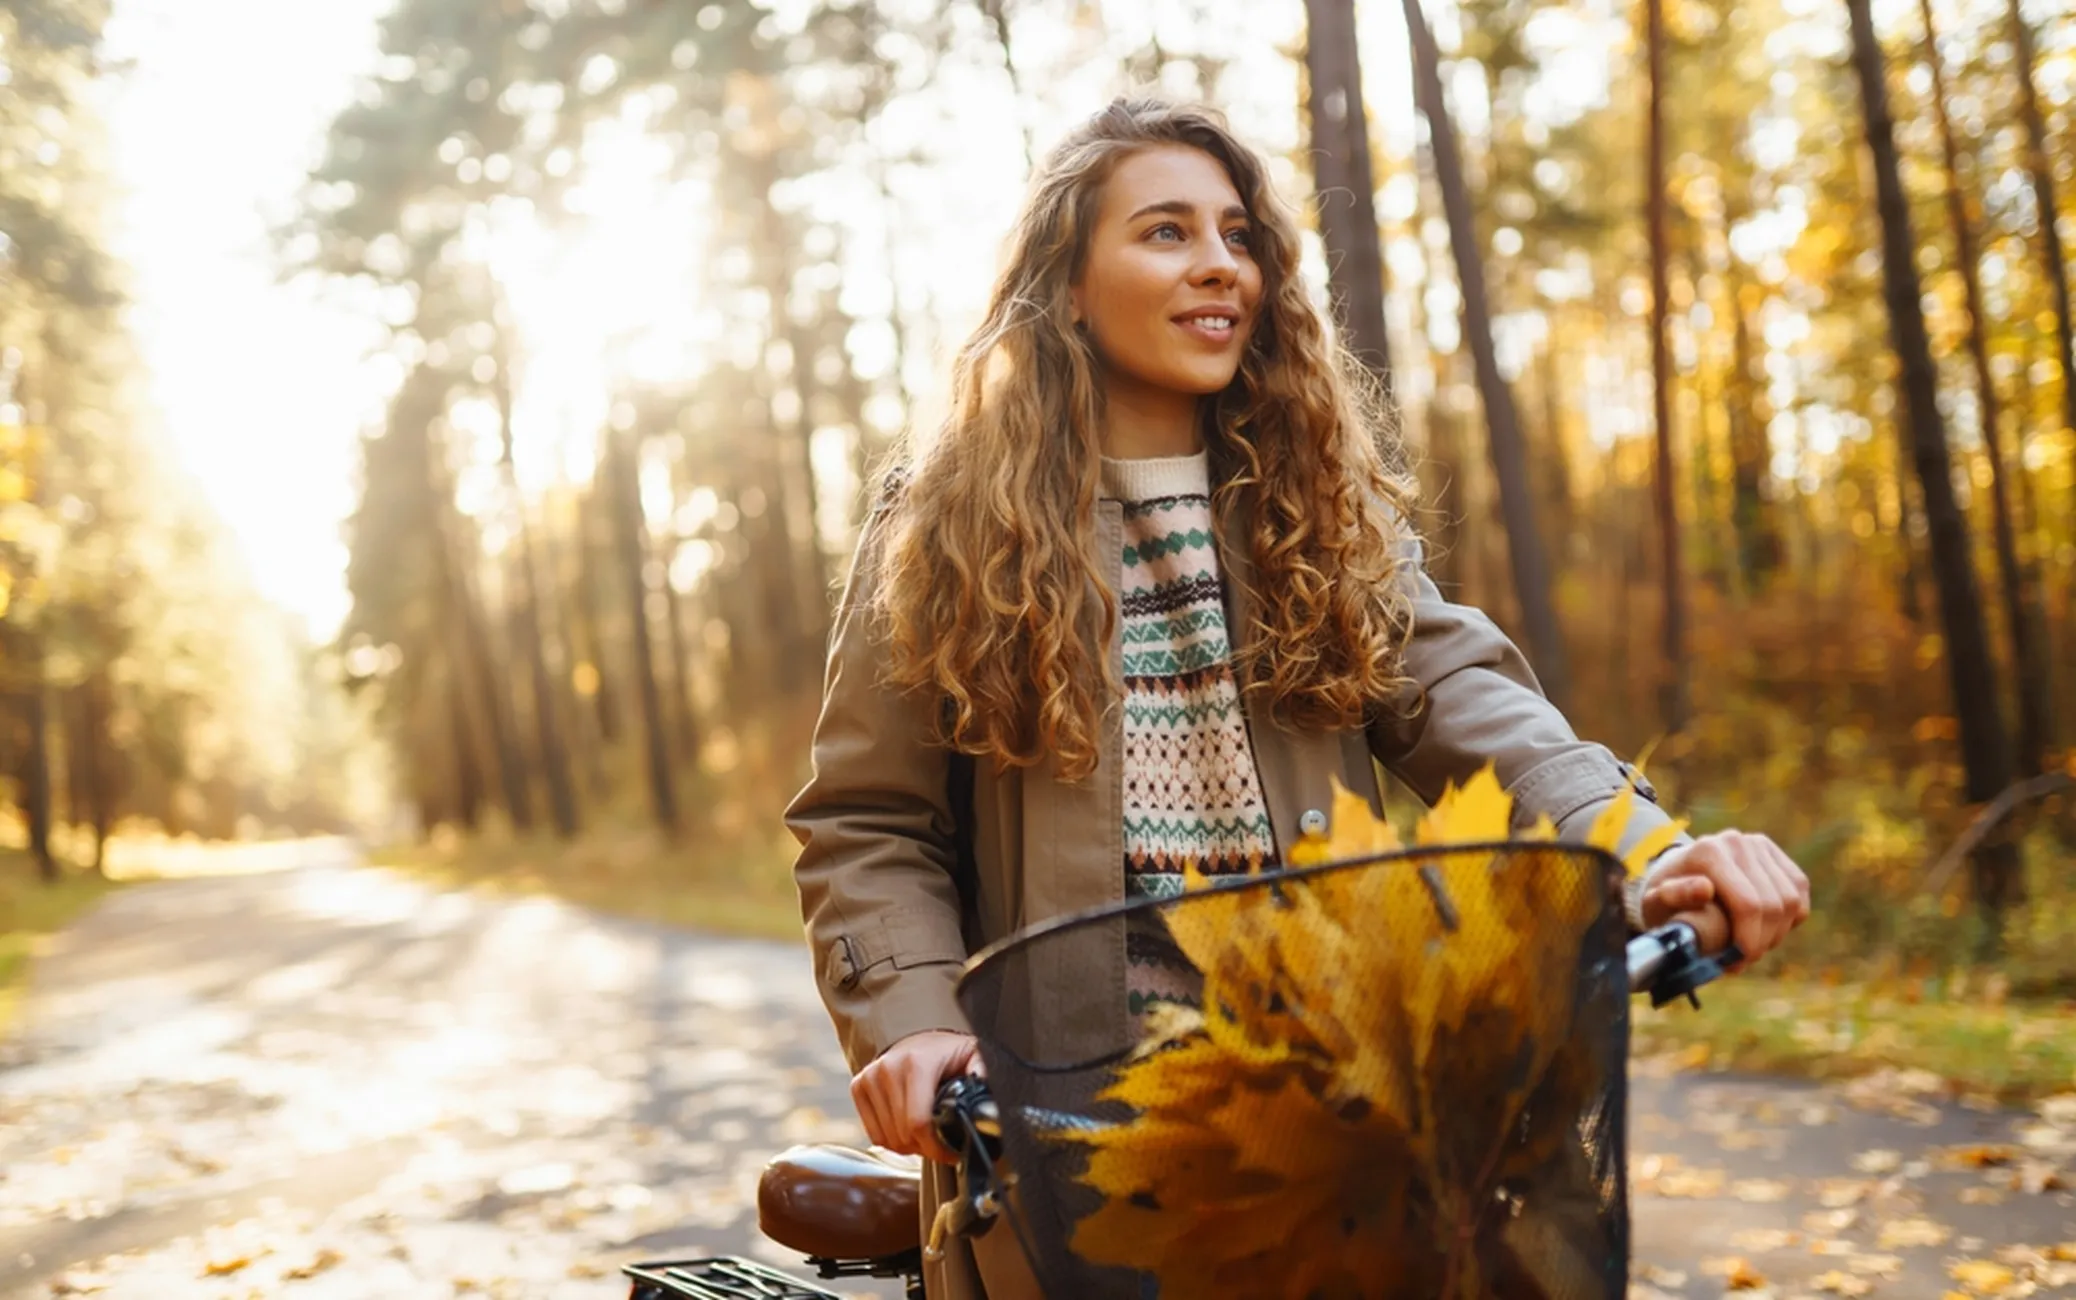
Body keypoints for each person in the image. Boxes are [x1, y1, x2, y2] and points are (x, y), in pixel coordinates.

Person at [785, 96, 1810, 1300]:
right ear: (1067, 286)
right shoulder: (945, 524)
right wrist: (916, 1020)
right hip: (1062, 1147)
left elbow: (1467, 700)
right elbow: (870, 822)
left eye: (1238, 235)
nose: (1219, 262)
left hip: (1334, 1131)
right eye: (1166, 231)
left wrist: (1653, 852)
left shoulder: (1312, 504)